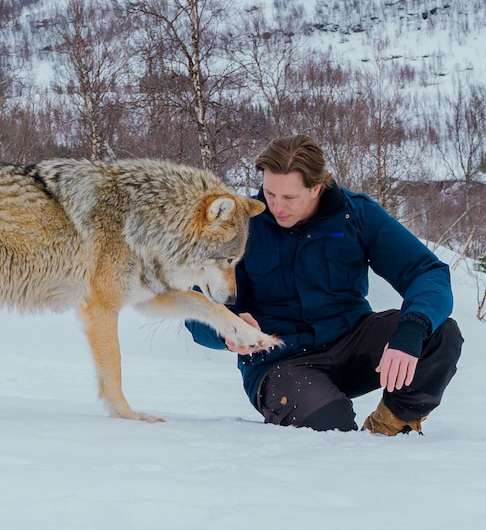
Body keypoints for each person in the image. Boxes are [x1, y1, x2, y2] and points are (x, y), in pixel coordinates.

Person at [186, 135, 463, 435]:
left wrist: (411, 330)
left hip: (351, 342)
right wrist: (228, 329)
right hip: (281, 361)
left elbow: (426, 271)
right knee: (330, 425)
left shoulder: (356, 216)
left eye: (289, 198)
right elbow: (197, 309)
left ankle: (392, 424)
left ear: (316, 187)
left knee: (438, 333)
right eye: (269, 193)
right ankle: (325, 415)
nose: (277, 206)